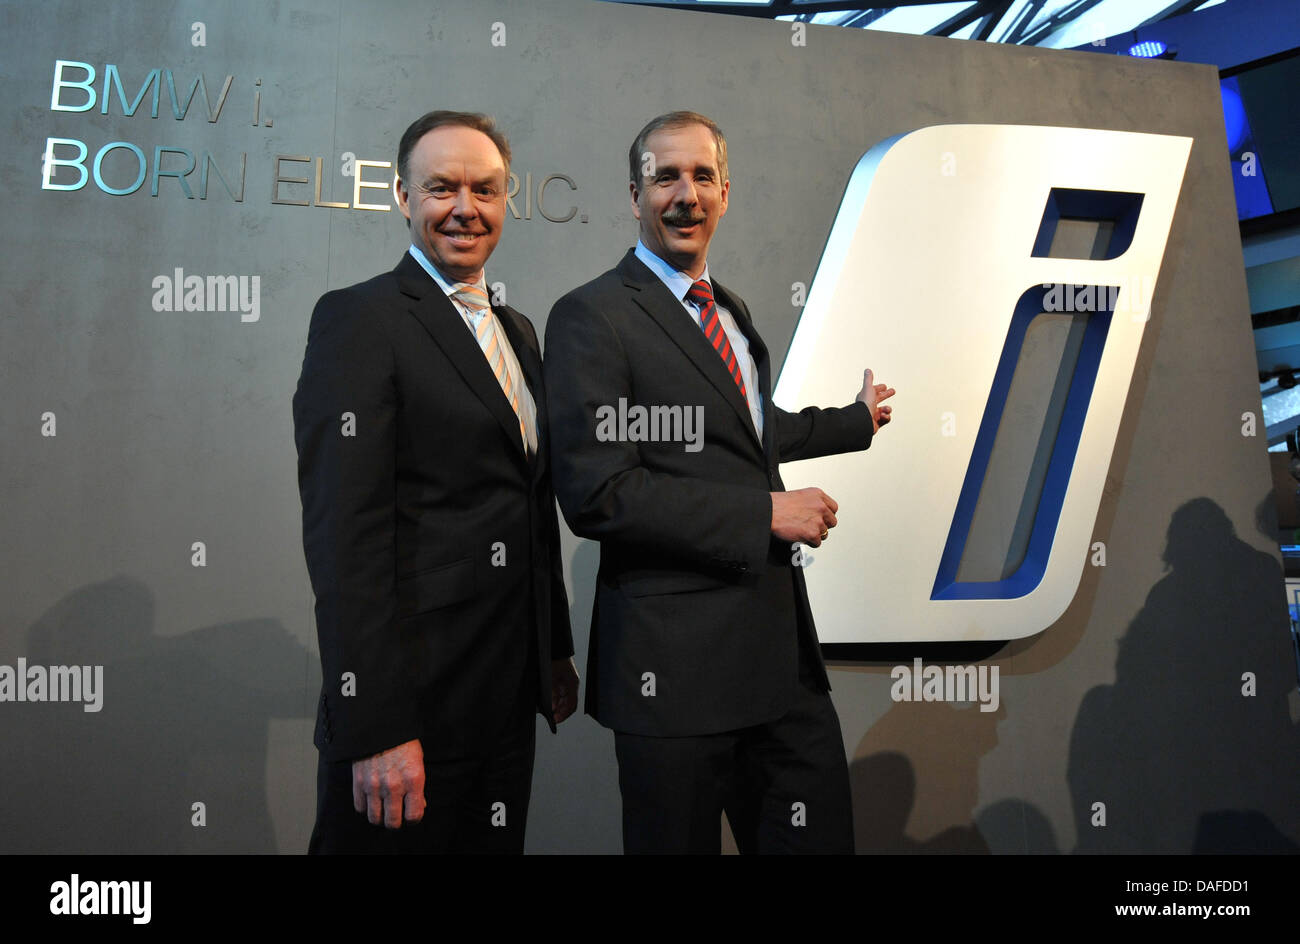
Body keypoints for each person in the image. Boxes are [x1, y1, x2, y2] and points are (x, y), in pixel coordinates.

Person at [544, 110, 894, 854]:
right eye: (664, 175)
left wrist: (854, 421)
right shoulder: (590, 318)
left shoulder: (729, 311)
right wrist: (763, 514)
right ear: (633, 195)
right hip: (672, 683)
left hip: (781, 671)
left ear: (726, 193)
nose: (685, 193)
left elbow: (750, 430)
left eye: (702, 176)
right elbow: (597, 492)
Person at [293, 110, 578, 854]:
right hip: (410, 713)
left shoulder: (519, 332)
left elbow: (529, 500)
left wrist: (553, 648)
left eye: (484, 190)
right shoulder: (360, 320)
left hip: (504, 701)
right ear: (401, 196)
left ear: (505, 200)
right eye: (441, 187)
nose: (464, 208)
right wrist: (378, 728)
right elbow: (343, 540)